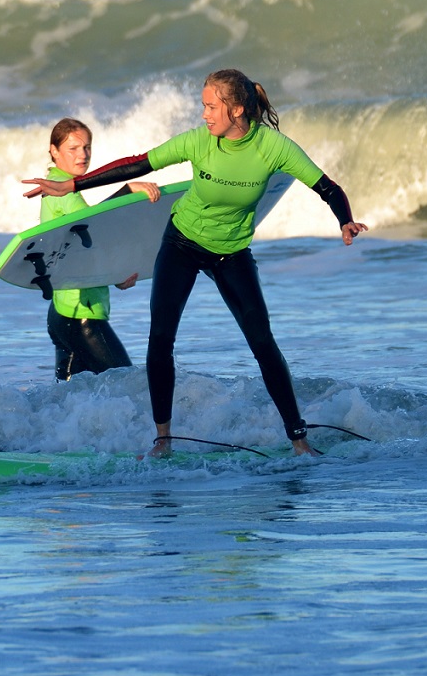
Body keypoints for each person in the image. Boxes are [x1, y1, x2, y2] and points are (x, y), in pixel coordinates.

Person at [23, 70, 367, 456]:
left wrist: (345, 219)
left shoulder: (274, 148)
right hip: (182, 243)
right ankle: (163, 439)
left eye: (210, 106)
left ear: (236, 109)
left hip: (231, 252)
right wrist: (73, 185)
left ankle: (299, 438)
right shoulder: (199, 141)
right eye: (203, 105)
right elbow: (139, 164)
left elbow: (326, 187)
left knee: (263, 343)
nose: (203, 114)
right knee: (160, 340)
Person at [39, 118, 162, 380]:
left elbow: (83, 244)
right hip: (82, 316)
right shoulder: (63, 192)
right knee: (127, 386)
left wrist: (115, 276)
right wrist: (128, 190)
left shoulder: (56, 185)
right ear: (54, 151)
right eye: (73, 148)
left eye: (87, 147)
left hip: (61, 313)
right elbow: (96, 228)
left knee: (69, 404)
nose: (82, 155)